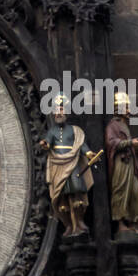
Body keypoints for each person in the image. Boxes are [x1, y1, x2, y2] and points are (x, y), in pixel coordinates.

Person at [39, 94, 94, 236]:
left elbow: (81, 145)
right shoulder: (52, 131)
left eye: (61, 109)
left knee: (77, 192)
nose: (59, 112)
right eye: (56, 110)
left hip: (72, 163)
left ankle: (79, 222)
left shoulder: (74, 130)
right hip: (58, 165)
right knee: (61, 198)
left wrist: (88, 154)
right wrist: (45, 144)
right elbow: (47, 142)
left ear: (67, 111)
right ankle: (68, 224)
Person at [105, 91, 138, 231]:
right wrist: (129, 143)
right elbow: (111, 142)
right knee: (120, 191)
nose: (128, 110)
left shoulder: (124, 126)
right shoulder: (113, 125)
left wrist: (137, 146)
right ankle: (120, 223)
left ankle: (132, 222)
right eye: (126, 107)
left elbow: (127, 144)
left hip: (130, 163)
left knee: (136, 193)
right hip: (121, 164)